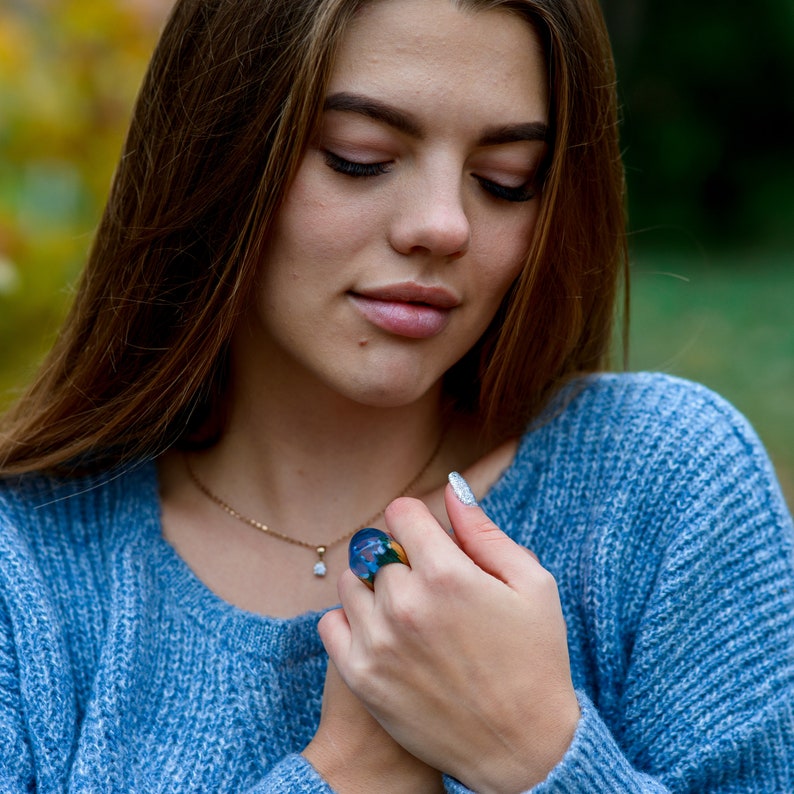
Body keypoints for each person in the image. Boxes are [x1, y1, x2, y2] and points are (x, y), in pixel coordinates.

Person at [0, 0, 792, 790]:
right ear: (215, 153)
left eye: (505, 181)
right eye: (361, 157)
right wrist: (350, 771)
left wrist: (532, 750)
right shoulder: (26, 567)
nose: (444, 226)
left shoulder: (662, 486)